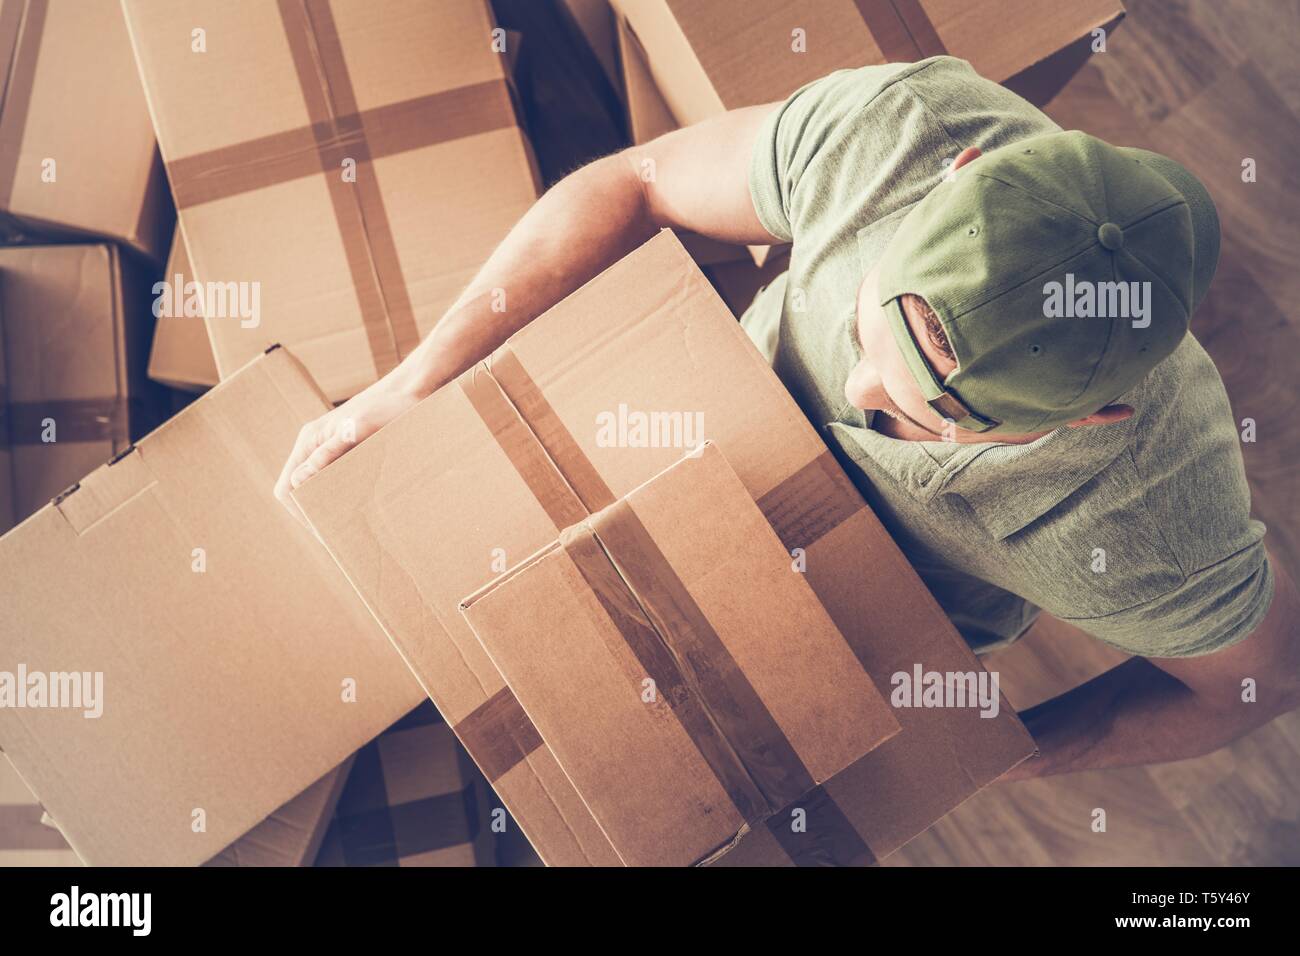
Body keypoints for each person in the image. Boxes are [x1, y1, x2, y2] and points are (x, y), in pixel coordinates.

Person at [275, 56, 1298, 781]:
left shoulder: (1148, 523)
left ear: (1096, 417)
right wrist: (415, 384)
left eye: (927, 409)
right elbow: (637, 181)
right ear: (961, 174)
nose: (859, 391)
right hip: (681, 424)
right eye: (874, 329)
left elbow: (1250, 689)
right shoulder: (903, 129)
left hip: (839, 630)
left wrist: (1013, 752)